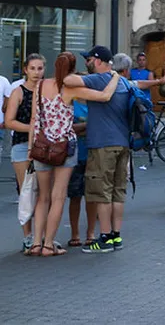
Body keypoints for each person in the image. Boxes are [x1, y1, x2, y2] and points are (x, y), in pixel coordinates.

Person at [28, 52, 121, 256]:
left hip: (41, 147)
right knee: (59, 197)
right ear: (72, 69)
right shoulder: (70, 88)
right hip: (65, 148)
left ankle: (35, 243)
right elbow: (105, 96)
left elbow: (34, 119)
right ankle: (48, 245)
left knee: (43, 197)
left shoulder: (40, 86)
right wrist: (115, 77)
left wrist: (30, 148)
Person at [61, 46, 133, 253]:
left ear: (99, 61)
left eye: (90, 59)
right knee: (118, 192)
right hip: (122, 144)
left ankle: (104, 238)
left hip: (102, 145)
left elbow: (67, 80)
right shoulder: (123, 82)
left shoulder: (99, 79)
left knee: (102, 192)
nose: (87, 63)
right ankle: (116, 236)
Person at [4, 53, 45, 252]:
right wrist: (32, 128)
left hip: (45, 146)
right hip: (21, 146)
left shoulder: (47, 89)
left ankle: (41, 235)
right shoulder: (18, 92)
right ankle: (28, 236)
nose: (36, 72)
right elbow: (9, 121)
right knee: (27, 191)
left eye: (40, 68)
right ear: (25, 70)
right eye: (33, 68)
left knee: (44, 193)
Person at [67, 95, 95, 249]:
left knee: (92, 196)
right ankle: (74, 233)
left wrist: (81, 128)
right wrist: (87, 126)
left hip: (92, 154)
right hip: (74, 155)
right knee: (75, 196)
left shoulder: (95, 104)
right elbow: (67, 128)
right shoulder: (71, 104)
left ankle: (91, 233)